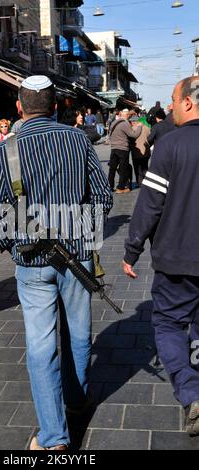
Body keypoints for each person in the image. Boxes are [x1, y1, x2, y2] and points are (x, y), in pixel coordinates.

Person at [0, 75, 113, 450]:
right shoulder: (79, 141)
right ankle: (77, 402)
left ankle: (54, 437)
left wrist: (17, 243)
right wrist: (79, 234)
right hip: (77, 258)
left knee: (41, 347)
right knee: (77, 334)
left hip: (31, 264)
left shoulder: (4, 152)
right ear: (56, 106)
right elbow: (102, 198)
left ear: (19, 108)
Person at [122, 76, 199, 436]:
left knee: (168, 323)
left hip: (176, 258)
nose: (169, 107)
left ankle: (190, 391)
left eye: (172, 100)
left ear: (187, 102)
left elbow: (150, 206)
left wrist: (132, 249)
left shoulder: (169, 146)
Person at [108, 109, 142, 194]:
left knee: (112, 168)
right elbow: (134, 135)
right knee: (123, 168)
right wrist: (140, 126)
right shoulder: (125, 123)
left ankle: (110, 186)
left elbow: (109, 134)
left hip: (114, 148)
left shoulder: (113, 123)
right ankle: (121, 187)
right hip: (123, 149)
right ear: (126, 116)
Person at [129, 115, 151, 187]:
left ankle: (139, 183)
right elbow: (150, 137)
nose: (131, 122)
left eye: (132, 121)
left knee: (137, 168)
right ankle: (147, 182)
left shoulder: (131, 129)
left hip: (136, 152)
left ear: (133, 122)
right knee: (145, 167)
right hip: (146, 151)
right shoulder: (146, 128)